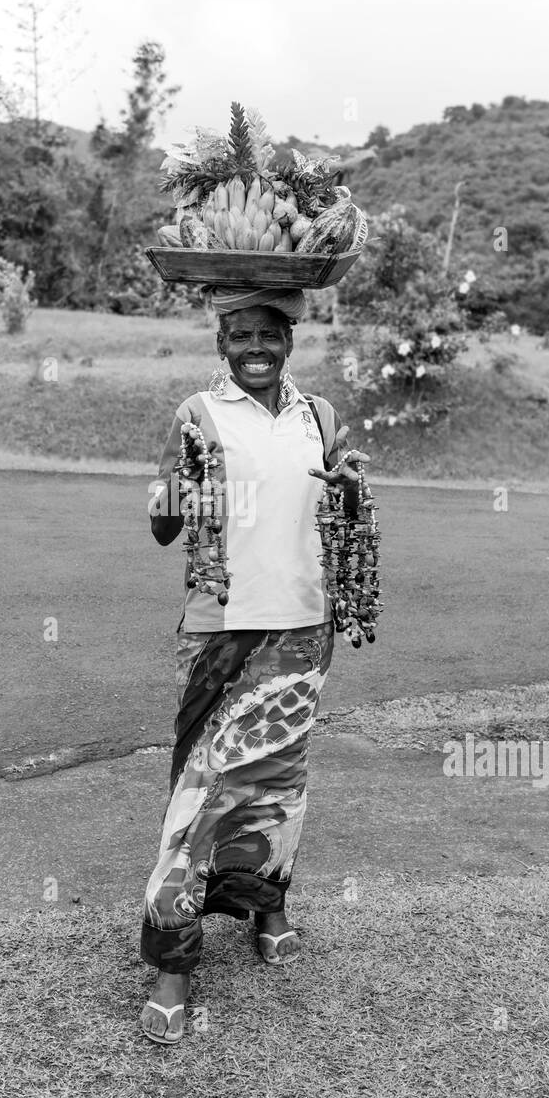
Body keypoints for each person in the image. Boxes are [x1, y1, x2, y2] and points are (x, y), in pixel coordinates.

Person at [140, 285, 369, 1046]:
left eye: (269, 332)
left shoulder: (320, 417)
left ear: (290, 340)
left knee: (278, 784)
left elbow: (344, 505)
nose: (255, 346)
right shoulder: (196, 416)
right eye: (240, 334)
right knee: (199, 791)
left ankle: (267, 908)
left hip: (304, 626)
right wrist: (173, 492)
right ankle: (174, 962)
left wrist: (351, 486)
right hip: (222, 628)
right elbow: (164, 529)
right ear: (221, 344)